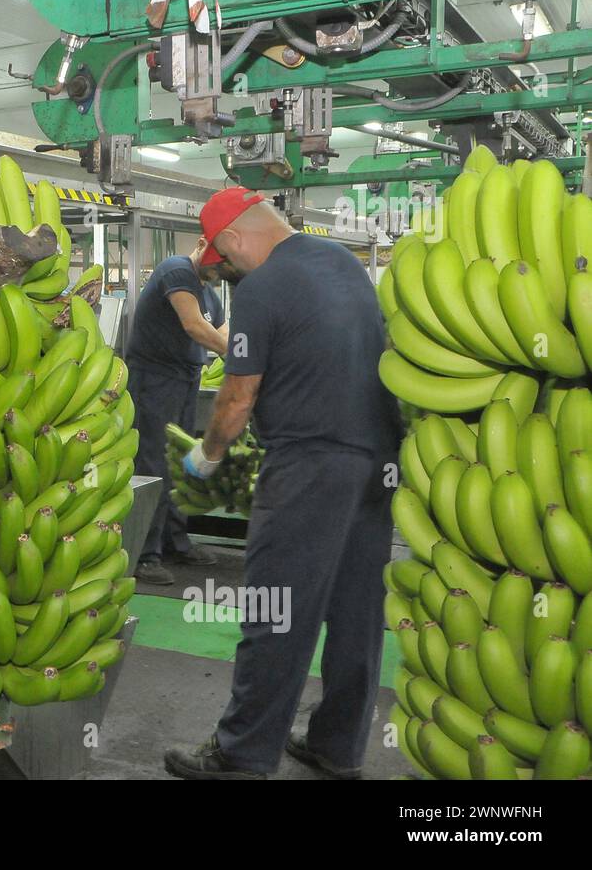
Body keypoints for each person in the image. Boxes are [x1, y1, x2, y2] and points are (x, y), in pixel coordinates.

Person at [163, 187, 402, 780]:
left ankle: (242, 755)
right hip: (377, 463)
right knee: (356, 613)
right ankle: (336, 745)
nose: (230, 270)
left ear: (235, 239)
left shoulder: (263, 286)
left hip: (308, 467)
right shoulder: (342, 261)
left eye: (226, 260)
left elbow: (238, 395)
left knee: (277, 609)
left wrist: (209, 455)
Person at [125, 238, 229, 585]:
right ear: (202, 244)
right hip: (155, 379)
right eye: (215, 263)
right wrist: (239, 357)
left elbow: (219, 328)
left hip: (186, 378)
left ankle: (175, 541)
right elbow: (195, 326)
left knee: (180, 461)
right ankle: (144, 554)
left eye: (222, 267)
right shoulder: (177, 270)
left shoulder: (208, 291)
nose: (217, 271)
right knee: (153, 463)